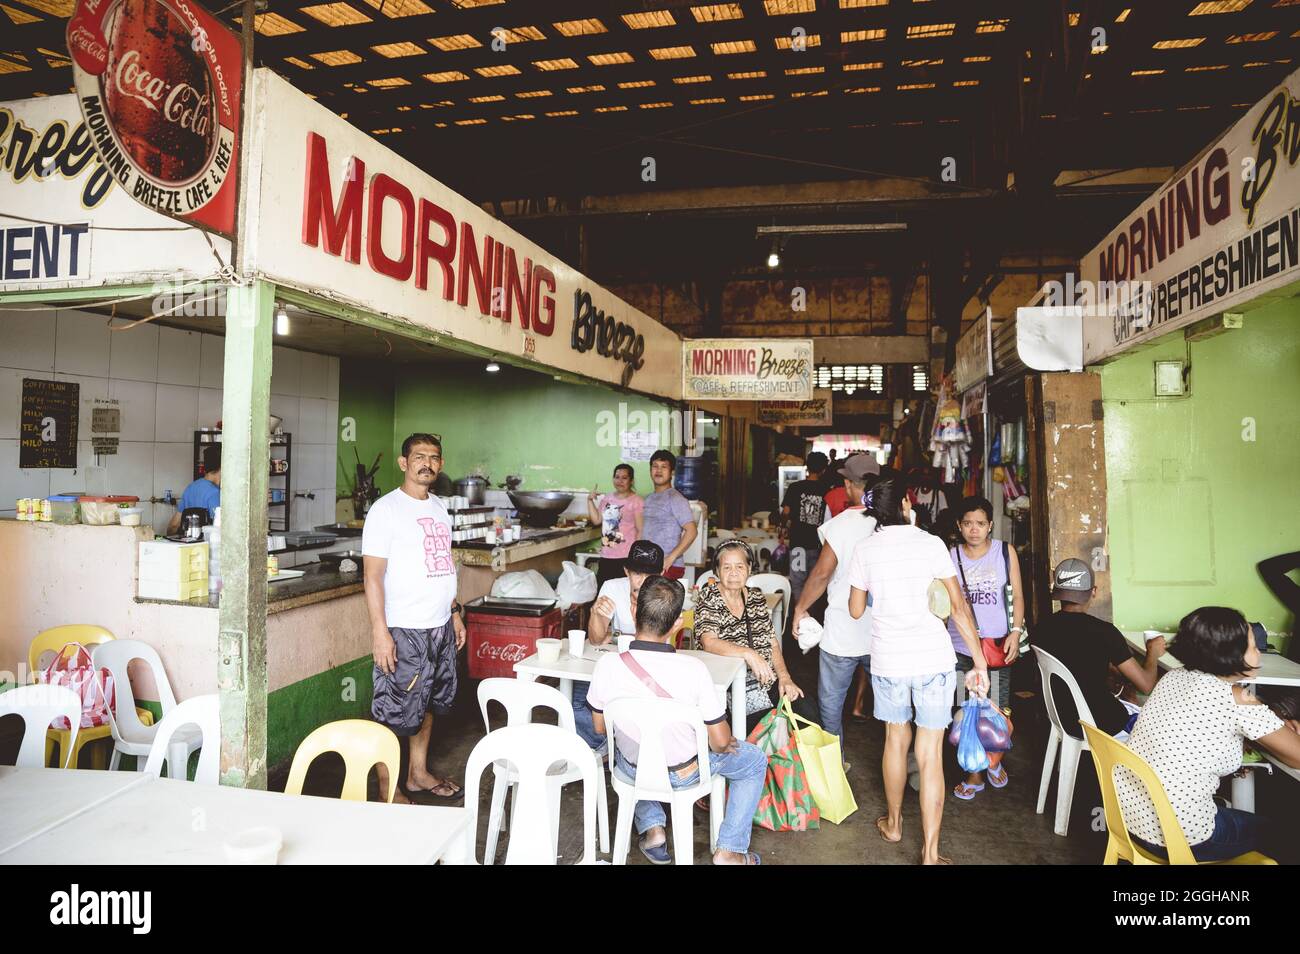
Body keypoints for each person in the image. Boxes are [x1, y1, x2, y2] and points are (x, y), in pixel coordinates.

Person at [847, 470, 987, 865]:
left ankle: (893, 825)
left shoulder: (865, 550)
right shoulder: (932, 545)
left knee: (896, 741)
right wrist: (979, 661)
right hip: (933, 660)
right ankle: (930, 854)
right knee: (929, 754)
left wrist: (882, 594)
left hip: (889, 660)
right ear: (906, 505)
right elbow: (957, 608)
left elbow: (856, 610)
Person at [586, 575, 768, 865]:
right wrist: (722, 740)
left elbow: (599, 728)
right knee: (754, 760)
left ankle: (653, 829)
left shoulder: (607, 665)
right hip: (683, 773)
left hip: (631, 768)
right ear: (677, 625)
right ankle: (729, 851)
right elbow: (720, 743)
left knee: (632, 745)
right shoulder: (693, 669)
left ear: (634, 613)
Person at [1115, 607, 1300, 862]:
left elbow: (1204, 727)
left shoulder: (1173, 678)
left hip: (1132, 821)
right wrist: (1281, 730)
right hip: (1183, 836)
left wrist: (1272, 723)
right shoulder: (1236, 699)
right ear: (1230, 654)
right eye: (1253, 646)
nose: (1259, 652)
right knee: (1283, 832)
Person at [362, 433, 465, 803]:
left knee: (428, 705)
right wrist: (380, 631)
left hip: (438, 625)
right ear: (403, 463)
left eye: (434, 457)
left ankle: (418, 774)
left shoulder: (439, 507)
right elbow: (372, 576)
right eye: (419, 456)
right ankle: (389, 789)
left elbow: (443, 564)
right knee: (393, 711)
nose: (428, 463)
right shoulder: (385, 510)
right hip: (403, 628)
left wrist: (454, 612)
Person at [790, 454, 879, 755]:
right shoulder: (892, 522)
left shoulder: (841, 525)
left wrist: (800, 608)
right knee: (894, 710)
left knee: (831, 706)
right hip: (882, 631)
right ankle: (903, 763)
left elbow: (822, 574)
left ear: (849, 485)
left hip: (842, 631)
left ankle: (834, 768)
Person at [1031, 559, 1163, 744]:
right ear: (1093, 591)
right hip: (1100, 724)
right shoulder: (1105, 632)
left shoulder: (1041, 629)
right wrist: (1153, 652)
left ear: (1058, 593)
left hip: (1061, 718)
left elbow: (1075, 659)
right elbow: (1146, 685)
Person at [945, 496, 1025, 799]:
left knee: (998, 713)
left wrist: (1015, 632)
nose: (974, 530)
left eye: (980, 524)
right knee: (966, 713)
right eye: (968, 524)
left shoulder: (1004, 552)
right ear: (959, 526)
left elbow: (1017, 596)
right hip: (961, 647)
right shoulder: (951, 556)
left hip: (997, 645)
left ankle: (993, 760)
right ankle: (975, 773)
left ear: (990, 525)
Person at [696, 539, 804, 720]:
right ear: (717, 571)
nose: (733, 574)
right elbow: (708, 641)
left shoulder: (756, 597)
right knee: (764, 726)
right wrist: (749, 654)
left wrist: (785, 677)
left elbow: (772, 643)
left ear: (749, 568)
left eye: (739, 567)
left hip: (763, 683)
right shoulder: (709, 596)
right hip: (728, 688)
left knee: (805, 710)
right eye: (726, 567)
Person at [572, 540, 664, 750]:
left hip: (651, 668)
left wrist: (617, 633)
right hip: (616, 663)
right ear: (626, 571)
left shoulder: (666, 593)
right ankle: (602, 745)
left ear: (662, 573)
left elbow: (656, 640)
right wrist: (595, 614)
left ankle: (623, 745)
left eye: (650, 575)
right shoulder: (612, 587)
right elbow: (595, 640)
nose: (642, 581)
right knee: (577, 697)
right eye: (637, 573)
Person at [781, 452, 830, 614]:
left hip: (798, 543)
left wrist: (784, 527)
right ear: (823, 470)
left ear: (807, 467)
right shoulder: (826, 490)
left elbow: (786, 512)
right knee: (814, 580)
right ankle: (811, 614)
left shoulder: (795, 487)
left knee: (797, 580)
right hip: (818, 545)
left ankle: (800, 613)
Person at [641, 450, 697, 579]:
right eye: (655, 466)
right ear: (650, 470)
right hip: (648, 564)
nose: (658, 470)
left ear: (672, 472)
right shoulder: (648, 498)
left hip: (668, 567)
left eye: (664, 467)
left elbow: (692, 531)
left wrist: (671, 558)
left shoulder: (675, 498)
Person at [587, 463, 644, 588]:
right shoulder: (607, 498)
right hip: (606, 555)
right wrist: (589, 501)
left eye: (624, 478)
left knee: (623, 593)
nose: (620, 481)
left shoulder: (637, 501)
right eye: (617, 477)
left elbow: (640, 530)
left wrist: (636, 558)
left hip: (626, 557)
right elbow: (596, 520)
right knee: (604, 593)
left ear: (631, 480)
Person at [167, 443, 222, 533]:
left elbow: (173, 526)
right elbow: (219, 530)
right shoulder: (215, 494)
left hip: (191, 544)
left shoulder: (191, 488)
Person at [905, 468, 948, 533]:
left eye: (928, 475)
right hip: (917, 528)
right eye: (924, 475)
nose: (926, 478)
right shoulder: (915, 491)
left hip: (932, 529)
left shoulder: (938, 494)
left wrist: (937, 527)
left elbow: (944, 513)